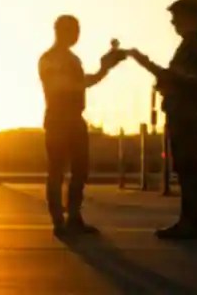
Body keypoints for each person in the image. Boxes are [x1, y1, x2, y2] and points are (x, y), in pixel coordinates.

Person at [127, 0, 197, 240]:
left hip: (186, 115)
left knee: (189, 170)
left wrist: (145, 62)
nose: (173, 23)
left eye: (176, 18)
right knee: (186, 170)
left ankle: (190, 225)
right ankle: (188, 222)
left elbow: (184, 79)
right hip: (182, 112)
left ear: (188, 18)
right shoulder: (190, 47)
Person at [38, 14, 125, 237]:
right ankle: (59, 221)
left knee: (79, 170)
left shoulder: (72, 59)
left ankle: (74, 217)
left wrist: (105, 68)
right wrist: (102, 69)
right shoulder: (49, 59)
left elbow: (81, 83)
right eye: (74, 31)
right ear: (61, 31)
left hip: (74, 119)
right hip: (58, 119)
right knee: (57, 170)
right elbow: (63, 86)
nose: (77, 36)